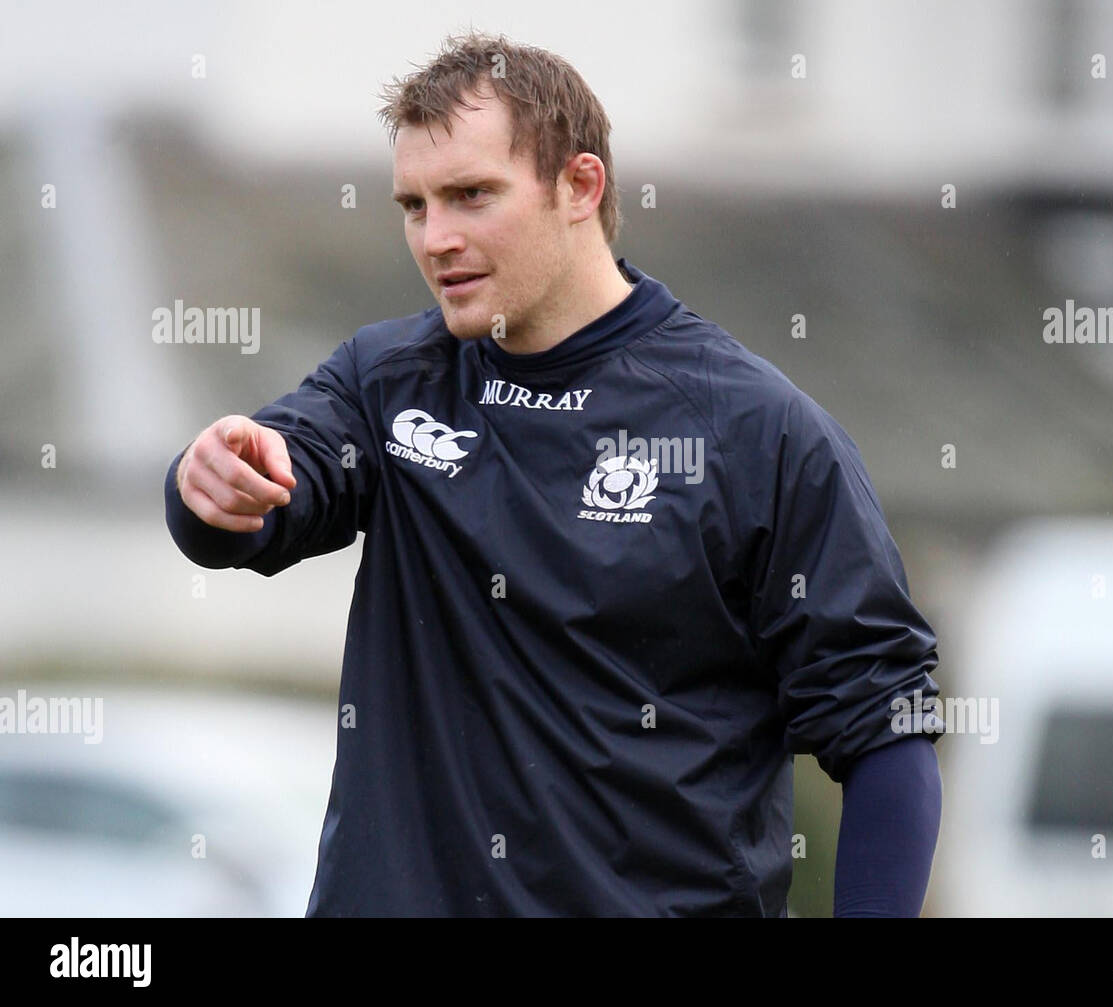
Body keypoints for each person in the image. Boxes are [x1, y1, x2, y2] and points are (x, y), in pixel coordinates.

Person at [163, 31, 943, 917]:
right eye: (414, 205)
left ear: (579, 186)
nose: (437, 237)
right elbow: (267, 488)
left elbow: (886, 728)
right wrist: (219, 482)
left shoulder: (754, 431)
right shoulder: (386, 383)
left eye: (471, 195)